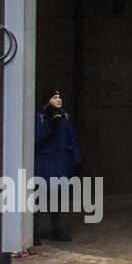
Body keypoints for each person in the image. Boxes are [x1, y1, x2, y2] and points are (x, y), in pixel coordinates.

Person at [34, 89, 80, 243]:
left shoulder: (65, 118)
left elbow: (73, 139)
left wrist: (76, 159)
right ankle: (34, 231)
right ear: (48, 101)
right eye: (54, 97)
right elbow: (37, 139)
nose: (59, 100)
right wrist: (50, 126)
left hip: (61, 164)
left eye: (60, 97)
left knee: (57, 198)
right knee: (38, 199)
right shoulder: (40, 118)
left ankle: (56, 227)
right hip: (44, 164)